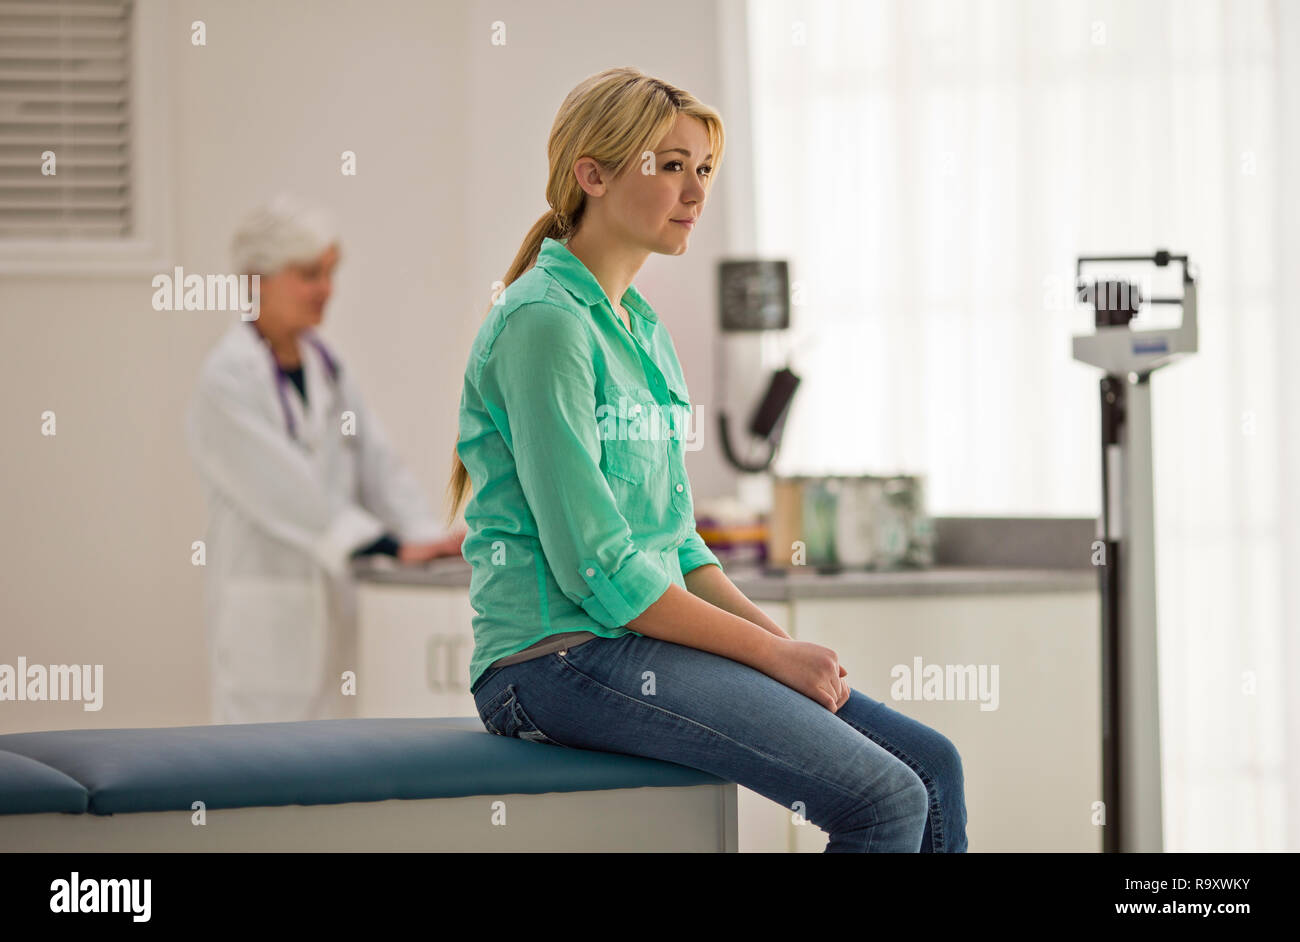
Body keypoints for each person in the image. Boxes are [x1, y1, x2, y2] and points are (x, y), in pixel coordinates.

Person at [447, 67, 967, 852]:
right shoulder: (545, 325)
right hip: (551, 663)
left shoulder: (642, 332)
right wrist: (771, 653)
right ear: (593, 175)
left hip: (631, 642)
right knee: (884, 799)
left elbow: (680, 548)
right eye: (671, 166)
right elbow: (600, 570)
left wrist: (782, 648)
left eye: (704, 171)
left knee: (933, 766)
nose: (695, 191)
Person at [187, 194, 464, 725]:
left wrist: (427, 537)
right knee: (258, 777)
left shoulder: (327, 367)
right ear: (257, 280)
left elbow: (379, 465)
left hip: (331, 614)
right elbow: (286, 493)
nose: (326, 290)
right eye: (309, 274)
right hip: (266, 622)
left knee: (327, 772)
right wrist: (390, 545)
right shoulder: (228, 378)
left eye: (330, 273)